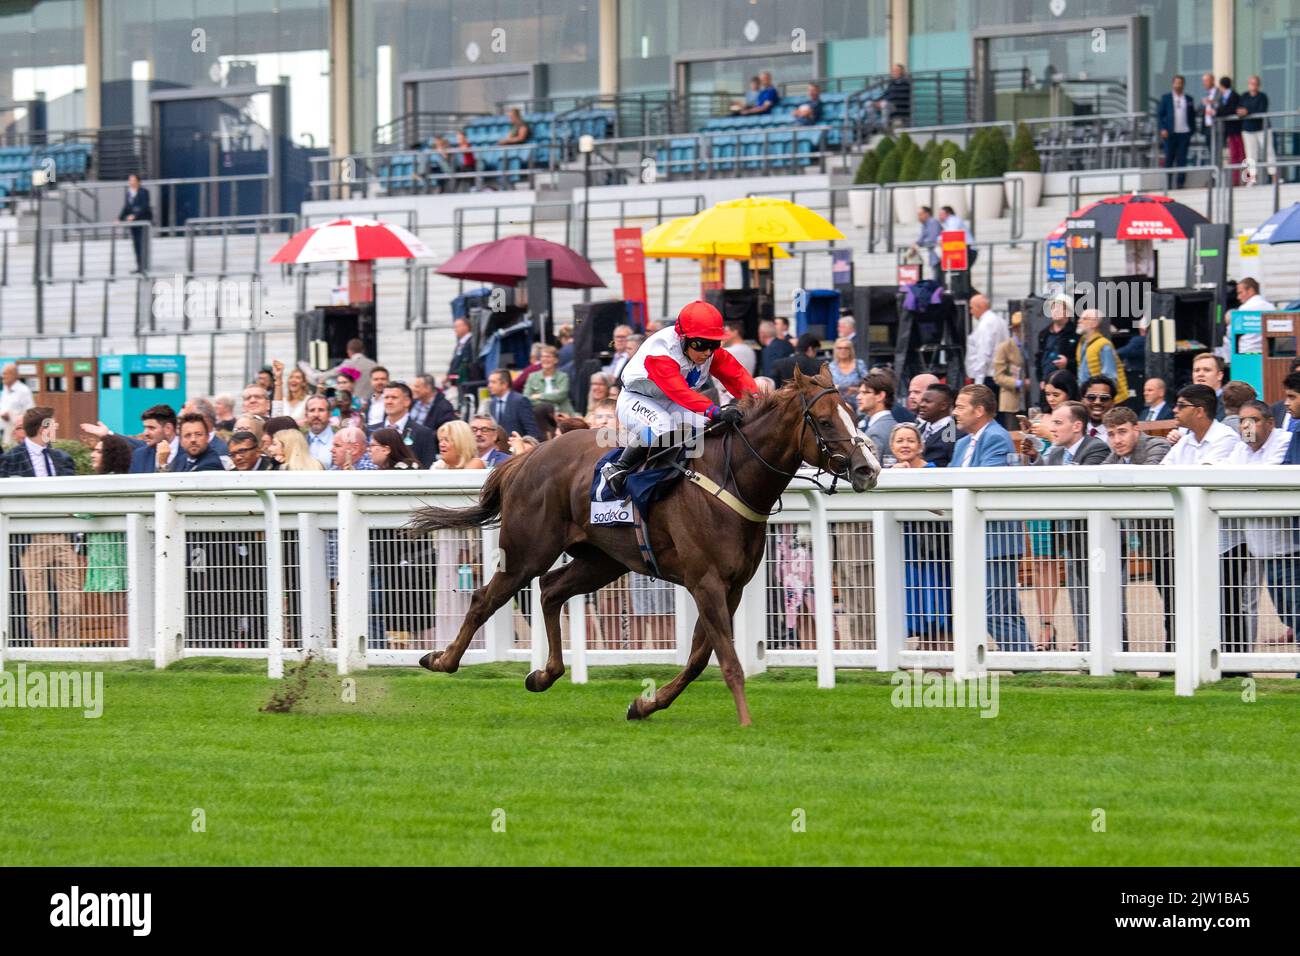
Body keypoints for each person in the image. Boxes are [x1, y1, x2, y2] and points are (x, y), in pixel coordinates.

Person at [602, 300, 758, 497]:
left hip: (673, 401)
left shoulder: (707, 350)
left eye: (714, 344)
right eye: (701, 344)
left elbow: (736, 375)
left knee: (709, 428)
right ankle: (618, 468)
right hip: (636, 399)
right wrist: (715, 411)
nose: (708, 352)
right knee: (663, 427)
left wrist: (758, 399)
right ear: (683, 338)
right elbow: (680, 392)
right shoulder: (661, 352)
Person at [950, 385, 1031, 651]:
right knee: (1005, 609)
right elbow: (947, 480)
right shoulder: (962, 443)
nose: (955, 413)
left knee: (992, 611)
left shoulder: (997, 437)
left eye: (961, 407)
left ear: (980, 410)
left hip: (997, 541)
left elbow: (985, 483)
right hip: (974, 540)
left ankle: (1025, 665)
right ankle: (1028, 665)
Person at [1161, 384, 1242, 465]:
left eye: (1181, 406)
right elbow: (1162, 471)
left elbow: (1203, 475)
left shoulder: (1226, 438)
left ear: (1199, 412)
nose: (1174, 410)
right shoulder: (1184, 441)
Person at [369, 381, 439, 467]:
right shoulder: (370, 430)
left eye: (394, 397)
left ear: (407, 401)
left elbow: (428, 466)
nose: (389, 401)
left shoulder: (423, 433)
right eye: (386, 397)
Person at [1019, 401, 1108, 465]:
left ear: (1077, 427)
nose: (1052, 429)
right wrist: (1035, 455)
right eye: (1052, 423)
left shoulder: (1096, 448)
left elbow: (1083, 483)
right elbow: (1047, 478)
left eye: (1058, 423)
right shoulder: (1056, 451)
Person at [1075, 309, 1129, 404]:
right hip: (1092, 397)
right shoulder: (1082, 343)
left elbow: (1110, 376)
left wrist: (1105, 399)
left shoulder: (1104, 345)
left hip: (1109, 400)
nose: (1079, 321)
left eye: (1084, 318)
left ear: (1094, 323)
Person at [301, 338, 378, 400]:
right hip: (371, 403)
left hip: (351, 403)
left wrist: (305, 368)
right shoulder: (374, 365)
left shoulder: (349, 364)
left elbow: (324, 377)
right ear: (363, 350)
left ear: (348, 351)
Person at [1157, 74, 1195, 189]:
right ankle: (1168, 184)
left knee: (1182, 159)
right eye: (1176, 83)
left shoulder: (1188, 99)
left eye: (1180, 83)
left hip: (1184, 133)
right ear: (1173, 84)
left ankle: (1180, 183)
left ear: (1183, 85)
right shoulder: (1166, 98)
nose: (1178, 85)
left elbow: (1192, 116)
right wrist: (1162, 128)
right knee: (1169, 158)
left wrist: (1192, 131)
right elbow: (1159, 115)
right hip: (1170, 133)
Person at [992, 311, 1028, 429]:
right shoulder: (1004, 347)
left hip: (1029, 400)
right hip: (1012, 401)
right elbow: (998, 376)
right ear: (1015, 329)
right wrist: (1019, 383)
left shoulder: (1032, 345)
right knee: (1014, 435)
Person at [965, 294, 1008, 392]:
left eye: (971, 307)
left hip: (986, 376)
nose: (970, 311)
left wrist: (978, 381)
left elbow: (984, 352)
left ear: (979, 306)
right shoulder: (1000, 321)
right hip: (999, 374)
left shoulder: (985, 324)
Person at [1037, 295, 1079, 394]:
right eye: (1053, 308)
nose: (1055, 311)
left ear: (1068, 312)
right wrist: (1041, 379)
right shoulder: (1044, 334)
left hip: (1067, 385)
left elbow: (1083, 360)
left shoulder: (1076, 334)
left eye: (1059, 308)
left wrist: (1068, 363)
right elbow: (1039, 358)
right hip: (1047, 384)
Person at [484, 369, 541, 442]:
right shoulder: (493, 403)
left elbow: (532, 430)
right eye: (489, 382)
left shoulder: (520, 401)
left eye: (493, 382)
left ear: (504, 384)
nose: (489, 386)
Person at [1101, 407, 1172, 465]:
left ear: (1136, 428)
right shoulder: (1116, 454)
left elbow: (1146, 477)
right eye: (1111, 434)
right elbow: (1099, 474)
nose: (1117, 440)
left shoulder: (1158, 446)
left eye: (1122, 432)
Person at [1238, 75, 1273, 185]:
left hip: (1262, 128)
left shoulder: (1262, 96)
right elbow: (1239, 109)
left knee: (1269, 151)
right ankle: (1251, 179)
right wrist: (1242, 112)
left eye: (1255, 83)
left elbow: (1261, 109)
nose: (1253, 85)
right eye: (1251, 83)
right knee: (1251, 155)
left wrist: (1247, 111)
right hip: (1248, 129)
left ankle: (1274, 177)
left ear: (1258, 85)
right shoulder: (1244, 96)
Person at [857, 371, 898, 458]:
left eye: (865, 392)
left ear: (880, 396)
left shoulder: (875, 433)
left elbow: (872, 469)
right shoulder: (894, 425)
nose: (858, 397)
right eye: (859, 392)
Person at [916, 383, 958, 467]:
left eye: (928, 402)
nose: (922, 405)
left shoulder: (954, 433)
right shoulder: (918, 429)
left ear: (943, 405)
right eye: (922, 401)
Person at [523, 345, 574, 414]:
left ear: (556, 360)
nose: (545, 359)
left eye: (548, 357)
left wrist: (540, 396)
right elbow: (526, 398)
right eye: (542, 357)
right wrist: (552, 400)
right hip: (540, 415)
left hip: (562, 414)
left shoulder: (563, 376)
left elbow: (561, 396)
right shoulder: (532, 377)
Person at [118, 173, 152, 273]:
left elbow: (144, 206)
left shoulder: (144, 192)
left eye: (133, 180)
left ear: (138, 181)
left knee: (142, 244)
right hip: (134, 224)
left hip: (142, 222)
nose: (131, 182)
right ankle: (139, 266)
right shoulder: (129, 193)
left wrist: (134, 215)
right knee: (136, 244)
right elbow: (126, 207)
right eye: (130, 180)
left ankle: (144, 266)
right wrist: (119, 218)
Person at [1230, 277, 1274, 354]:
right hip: (1267, 352)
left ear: (1250, 291)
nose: (1238, 297)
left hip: (1246, 352)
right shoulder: (1271, 307)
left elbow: (1233, 333)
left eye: (1240, 293)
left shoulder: (1244, 308)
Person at [1216, 76, 1244, 184]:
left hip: (1237, 130)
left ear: (1221, 86)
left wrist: (1218, 112)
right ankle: (1235, 179)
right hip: (1231, 131)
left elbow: (1230, 110)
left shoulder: (1234, 96)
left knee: (1240, 155)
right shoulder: (1223, 97)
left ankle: (1241, 180)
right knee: (1234, 155)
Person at [0, 363, 34, 446]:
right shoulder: (5, 390)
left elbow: (30, 413)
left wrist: (11, 416)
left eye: (5, 374)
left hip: (15, 435)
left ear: (13, 375)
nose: (3, 376)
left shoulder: (23, 391)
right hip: (3, 433)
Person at [868, 64, 910, 130]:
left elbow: (899, 96)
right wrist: (877, 101)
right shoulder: (891, 82)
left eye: (896, 70)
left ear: (901, 72)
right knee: (869, 104)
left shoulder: (906, 83)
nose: (894, 72)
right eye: (893, 71)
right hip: (888, 104)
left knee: (884, 104)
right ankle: (874, 126)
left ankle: (885, 127)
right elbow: (886, 94)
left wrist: (884, 101)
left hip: (898, 106)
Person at [1079, 375, 1117, 443]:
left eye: (1104, 398)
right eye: (1091, 397)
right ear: (1082, 401)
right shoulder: (1072, 431)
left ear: (1113, 403)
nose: (1097, 402)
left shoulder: (1118, 437)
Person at [1191, 351, 1228, 419]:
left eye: (1207, 370)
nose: (1200, 374)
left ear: (1219, 376)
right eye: (1196, 370)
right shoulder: (1188, 403)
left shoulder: (1229, 403)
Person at [912, 206, 941, 277]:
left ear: (927, 214)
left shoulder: (932, 222)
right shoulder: (924, 225)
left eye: (920, 214)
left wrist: (918, 245)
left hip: (938, 254)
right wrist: (916, 244)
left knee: (937, 276)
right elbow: (921, 238)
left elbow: (932, 239)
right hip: (933, 254)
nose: (919, 217)